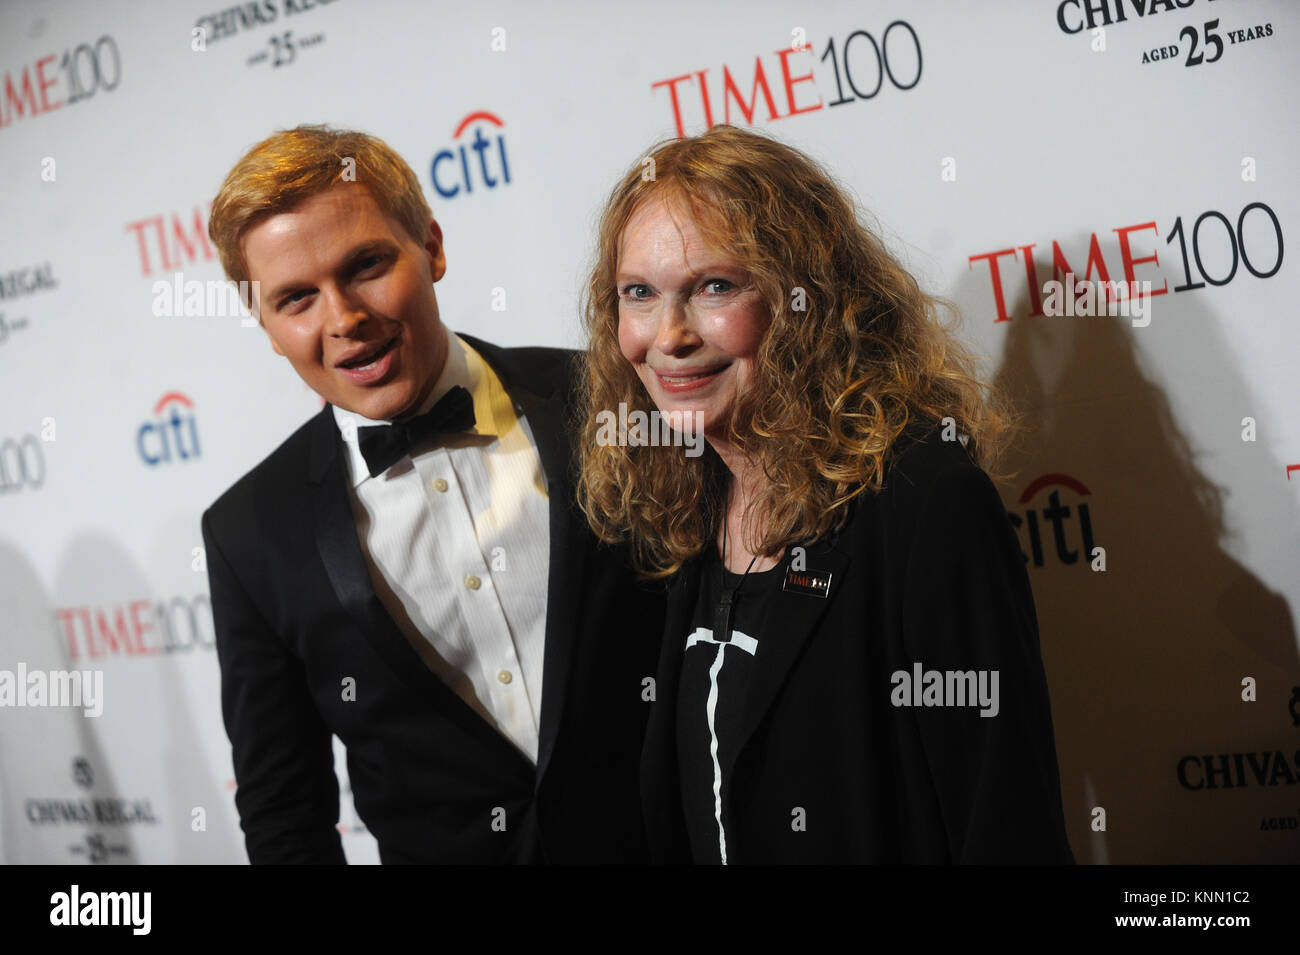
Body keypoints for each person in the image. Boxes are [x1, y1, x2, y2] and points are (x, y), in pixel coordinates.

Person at [576, 124, 1075, 864]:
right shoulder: (679, 516)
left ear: (805, 299)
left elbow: (1006, 827)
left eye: (715, 286)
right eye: (639, 294)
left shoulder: (924, 507)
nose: (669, 334)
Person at [201, 124, 664, 864]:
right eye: (296, 299)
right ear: (266, 325)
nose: (345, 318)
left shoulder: (609, 398)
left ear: (434, 247)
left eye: (367, 265)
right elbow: (284, 809)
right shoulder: (248, 532)